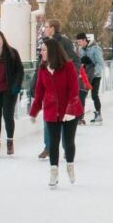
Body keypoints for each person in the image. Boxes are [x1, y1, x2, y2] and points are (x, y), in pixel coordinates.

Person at [30, 38, 84, 187]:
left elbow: (74, 90)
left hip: (69, 111)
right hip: (51, 111)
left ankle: (70, 166)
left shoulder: (68, 67)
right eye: (41, 49)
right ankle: (54, 171)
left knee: (68, 142)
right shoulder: (42, 69)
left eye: (44, 50)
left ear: (52, 51)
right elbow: (39, 92)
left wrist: (70, 110)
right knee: (53, 143)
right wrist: (34, 111)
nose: (41, 52)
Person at [36, 19, 79, 159]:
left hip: (62, 90)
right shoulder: (45, 44)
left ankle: (67, 148)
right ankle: (48, 147)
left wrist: (70, 77)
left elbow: (75, 61)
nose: (44, 29)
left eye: (46, 27)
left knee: (64, 121)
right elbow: (40, 67)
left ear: (53, 28)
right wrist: (33, 86)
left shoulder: (64, 42)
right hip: (49, 89)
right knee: (48, 119)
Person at [75, 33, 105, 124]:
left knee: (94, 95)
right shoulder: (81, 50)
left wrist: (93, 73)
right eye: (78, 42)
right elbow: (81, 63)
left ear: (84, 40)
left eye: (80, 42)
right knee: (82, 94)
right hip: (86, 75)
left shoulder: (95, 49)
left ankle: (98, 115)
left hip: (95, 76)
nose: (79, 44)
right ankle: (80, 117)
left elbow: (100, 63)